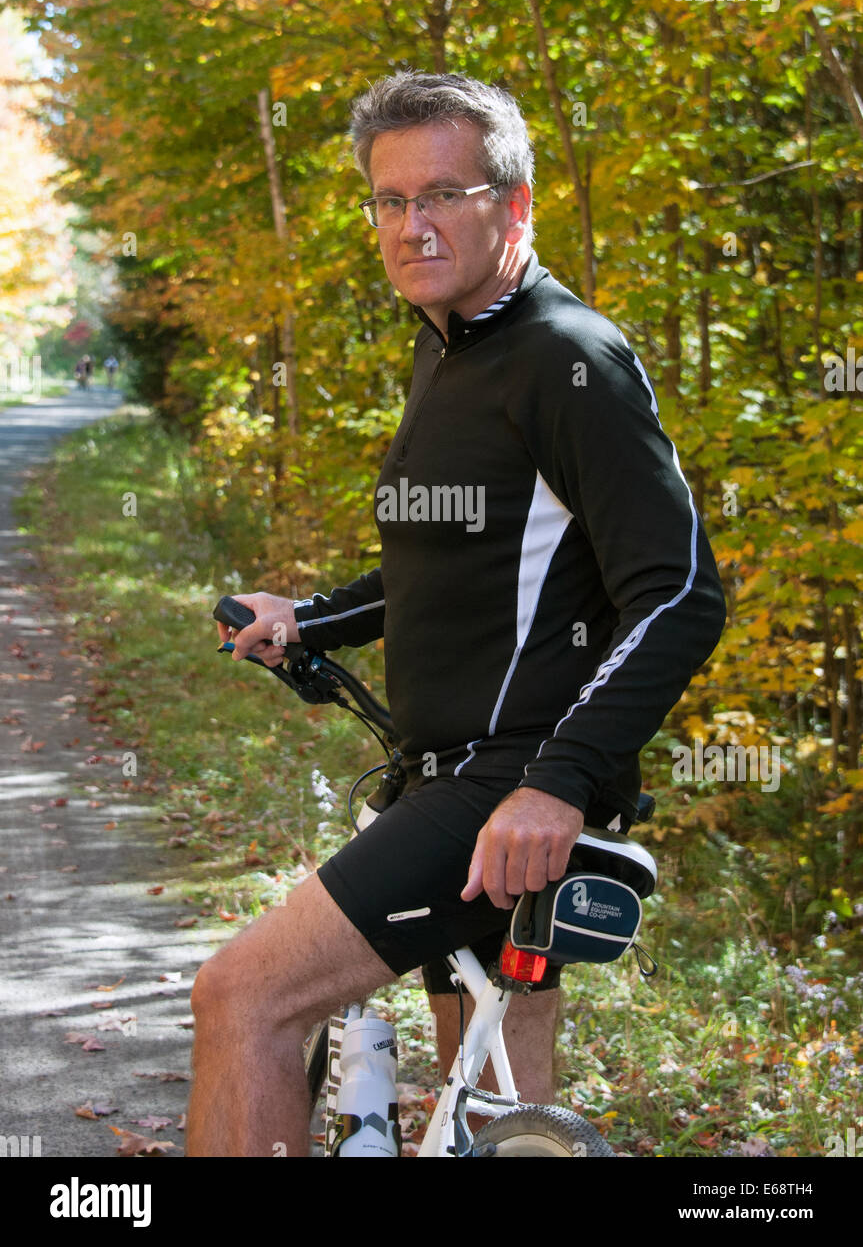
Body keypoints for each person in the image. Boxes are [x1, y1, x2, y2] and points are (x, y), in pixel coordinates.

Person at [186, 71, 726, 1156]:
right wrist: (312, 621)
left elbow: (675, 591)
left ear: (512, 205)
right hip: (448, 779)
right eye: (388, 201)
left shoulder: (565, 357)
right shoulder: (450, 340)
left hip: (505, 787)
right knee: (489, 1118)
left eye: (441, 194)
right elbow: (467, 563)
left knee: (242, 997)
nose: (410, 225)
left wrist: (553, 781)